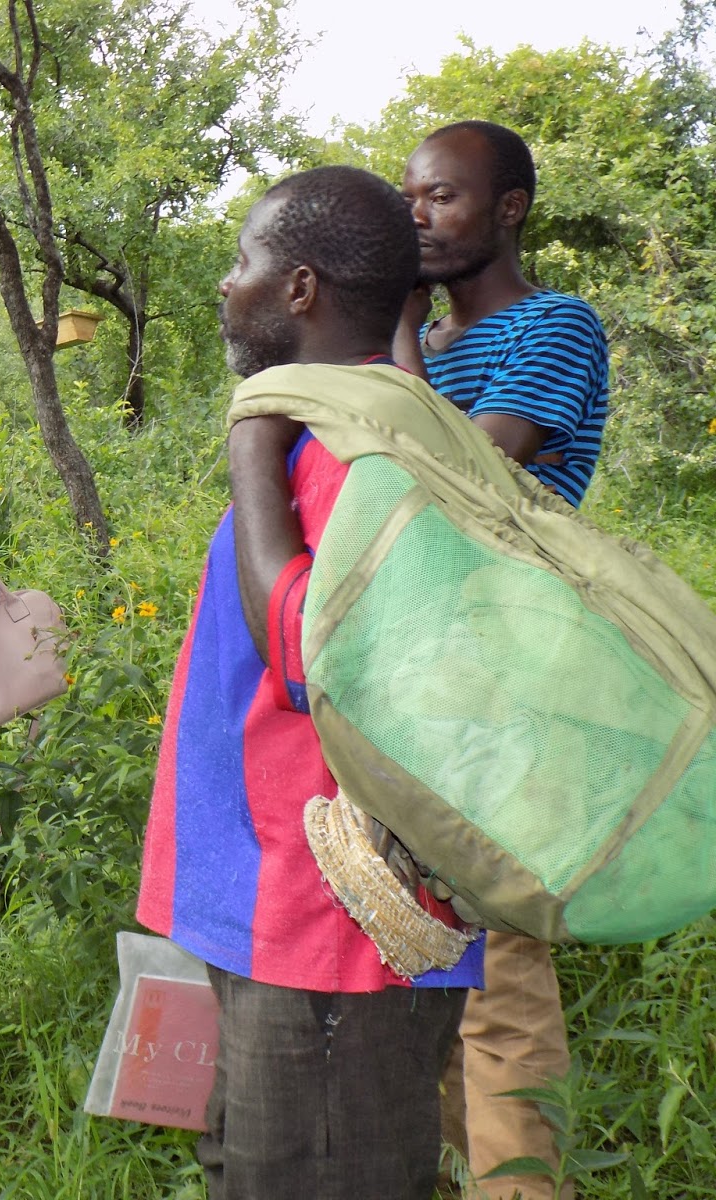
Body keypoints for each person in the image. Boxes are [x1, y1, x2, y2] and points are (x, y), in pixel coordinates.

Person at [136, 166, 484, 1200]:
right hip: (272, 906)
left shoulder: (362, 449)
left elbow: (306, 657)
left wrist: (250, 439)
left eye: (243, 260)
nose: (225, 284)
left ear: (299, 288)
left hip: (334, 937)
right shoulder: (330, 428)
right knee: (251, 1166)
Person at [395, 119, 610, 1200]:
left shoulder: (553, 326)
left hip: (507, 678)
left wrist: (394, 339)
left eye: (441, 196)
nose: (418, 216)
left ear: (510, 208)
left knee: (501, 961)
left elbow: (463, 480)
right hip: (415, 675)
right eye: (409, 198)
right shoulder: (423, 349)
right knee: (423, 953)